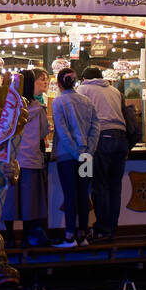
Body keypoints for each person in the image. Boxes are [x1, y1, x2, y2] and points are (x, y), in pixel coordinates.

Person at [78, 66, 130, 243]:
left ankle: (101, 230)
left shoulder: (83, 89)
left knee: (99, 185)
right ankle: (112, 227)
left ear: (84, 78)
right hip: (121, 139)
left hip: (101, 138)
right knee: (115, 186)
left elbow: (80, 117)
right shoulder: (115, 90)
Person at [50, 68, 99, 247]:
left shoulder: (58, 102)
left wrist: (75, 152)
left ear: (59, 83)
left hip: (66, 157)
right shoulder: (87, 101)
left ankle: (69, 236)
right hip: (86, 156)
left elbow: (62, 132)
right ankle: (83, 235)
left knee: (69, 195)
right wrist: (88, 150)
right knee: (83, 195)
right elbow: (96, 127)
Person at [2, 68, 49, 247]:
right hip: (31, 160)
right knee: (30, 201)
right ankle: (29, 238)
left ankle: (10, 238)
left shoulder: (9, 108)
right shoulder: (38, 109)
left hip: (11, 160)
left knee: (10, 201)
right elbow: (44, 132)